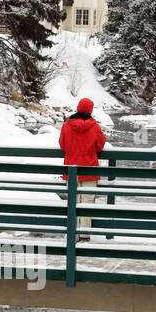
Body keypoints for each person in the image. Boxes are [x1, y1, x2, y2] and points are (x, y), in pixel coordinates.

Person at [58, 97, 106, 239]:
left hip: (71, 169)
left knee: (73, 200)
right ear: (90, 110)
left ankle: (73, 233)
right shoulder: (95, 126)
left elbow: (62, 144)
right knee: (87, 201)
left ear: (78, 108)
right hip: (89, 169)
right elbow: (100, 145)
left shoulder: (67, 125)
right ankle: (84, 234)